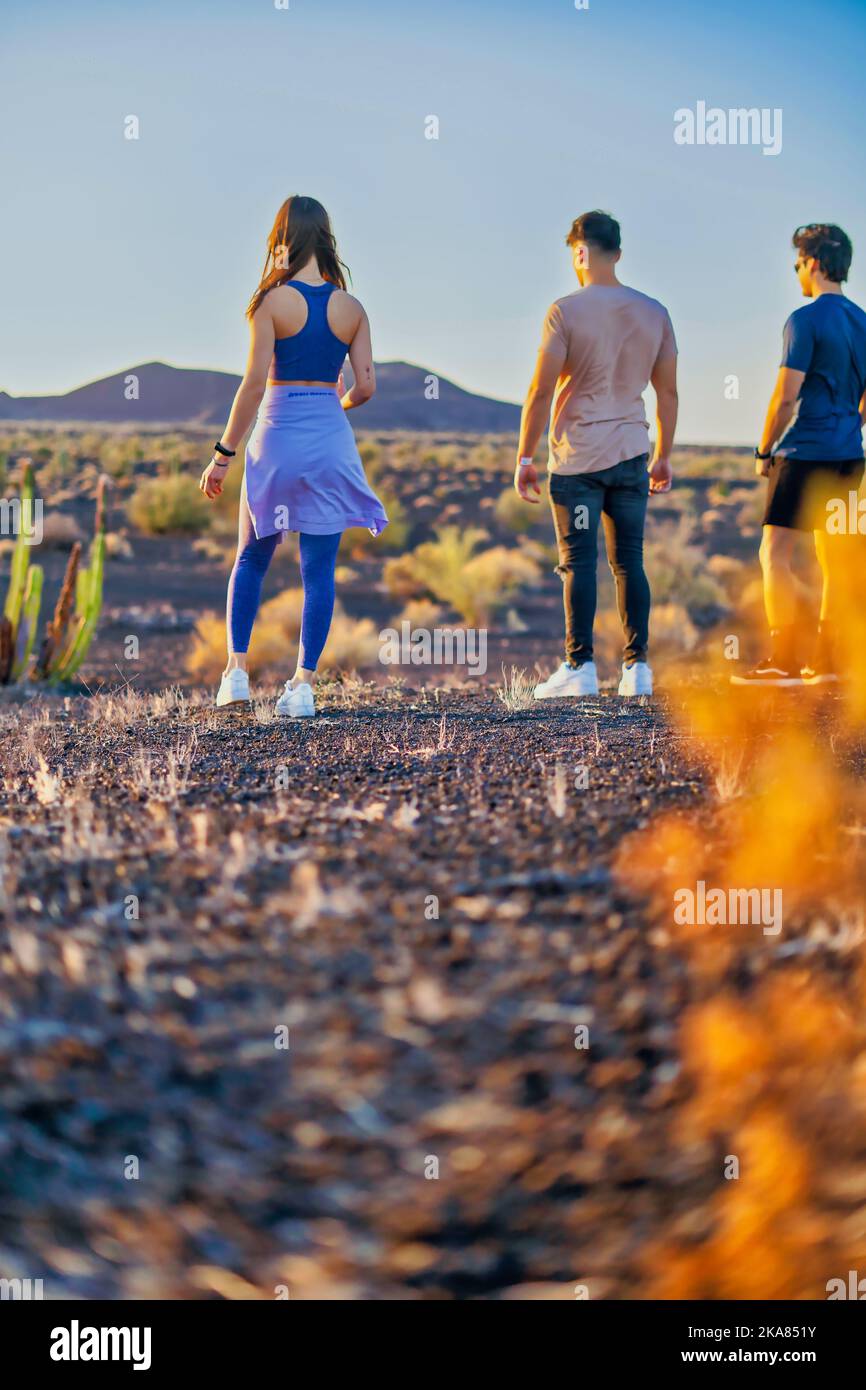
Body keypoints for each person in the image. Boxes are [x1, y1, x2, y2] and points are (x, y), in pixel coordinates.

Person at [199, 195, 387, 716]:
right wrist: (333, 404)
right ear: (326, 238)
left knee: (252, 557)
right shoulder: (352, 309)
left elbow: (253, 386)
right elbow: (367, 387)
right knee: (318, 570)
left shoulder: (270, 304)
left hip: (275, 440)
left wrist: (222, 455)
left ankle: (236, 673)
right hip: (330, 441)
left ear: (283, 239)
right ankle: (302, 686)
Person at [515, 210, 678, 698]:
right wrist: (663, 456)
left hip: (579, 462)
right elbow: (667, 394)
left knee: (579, 563)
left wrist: (525, 458)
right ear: (619, 253)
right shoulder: (655, 312)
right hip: (632, 454)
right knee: (629, 560)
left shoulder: (564, 311)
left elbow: (540, 391)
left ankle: (580, 667)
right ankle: (638, 670)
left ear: (580, 252)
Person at [732, 224, 866, 687]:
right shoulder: (863, 322)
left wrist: (764, 449)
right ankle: (826, 663)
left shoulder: (803, 320)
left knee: (775, 552)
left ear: (812, 263)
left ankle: (784, 659)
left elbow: (784, 398)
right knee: (835, 557)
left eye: (797, 265)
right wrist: (847, 426)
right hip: (850, 454)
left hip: (803, 450)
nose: (797, 274)